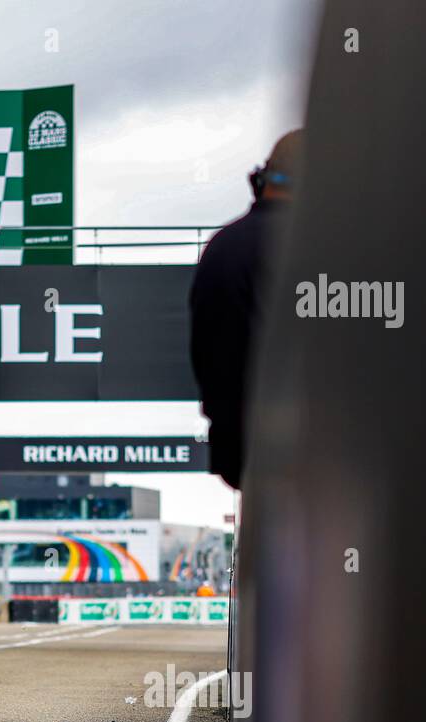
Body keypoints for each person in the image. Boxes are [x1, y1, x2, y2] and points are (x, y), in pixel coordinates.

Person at [189, 129, 304, 490]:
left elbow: (208, 361)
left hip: (246, 460)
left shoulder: (223, 248)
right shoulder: (334, 248)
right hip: (316, 463)